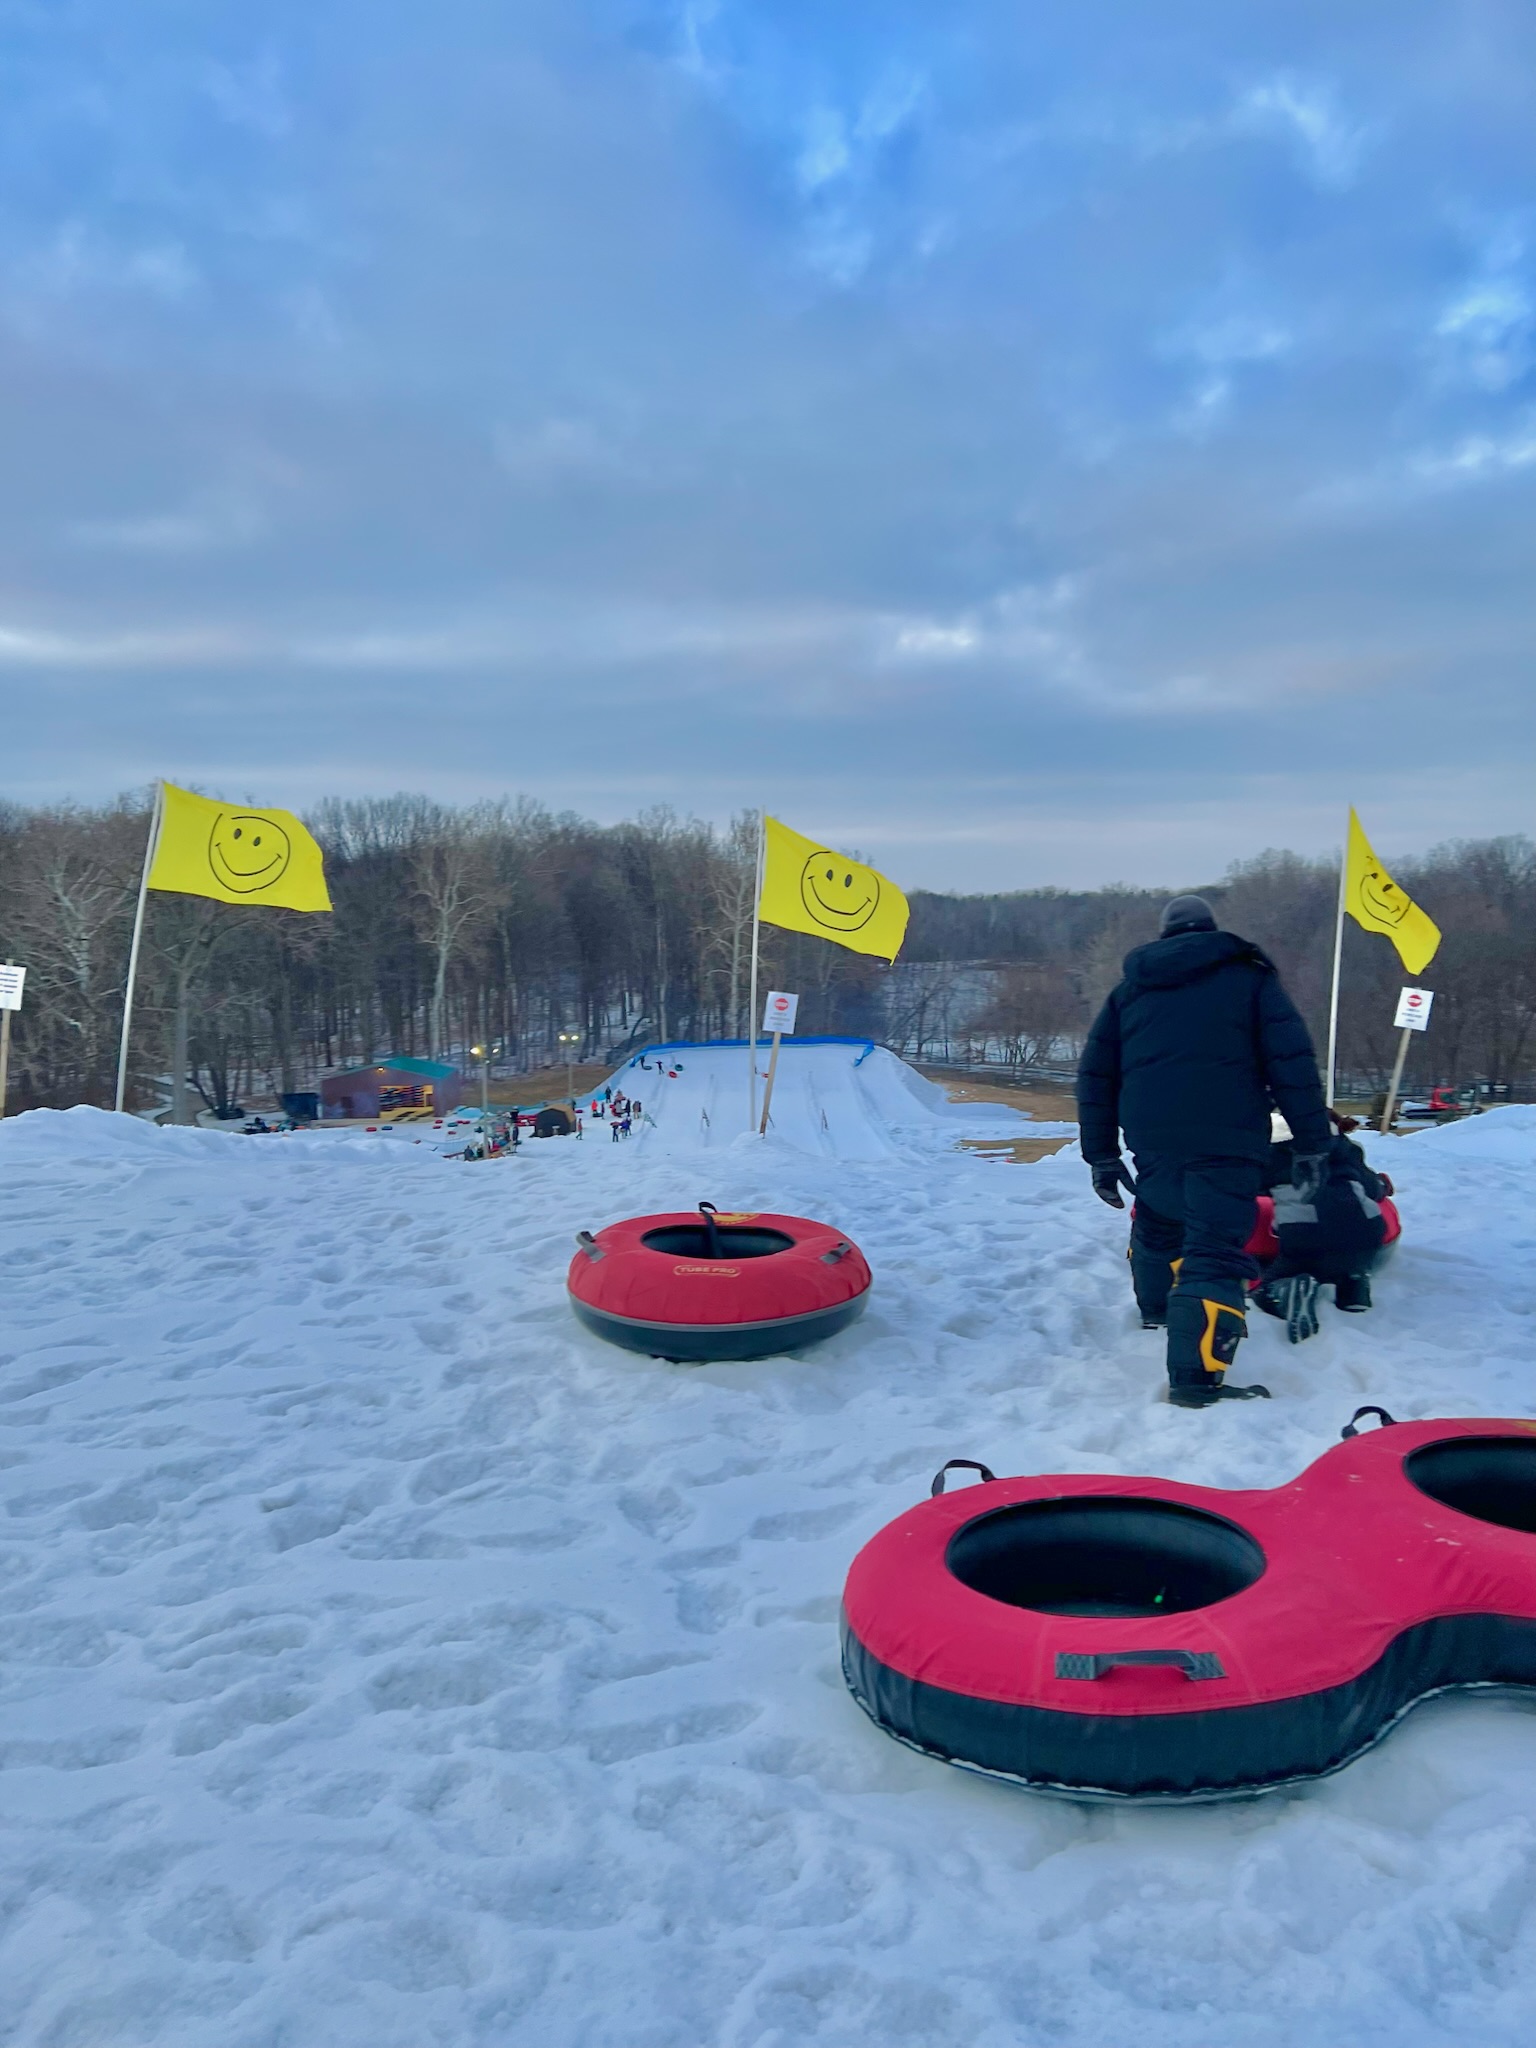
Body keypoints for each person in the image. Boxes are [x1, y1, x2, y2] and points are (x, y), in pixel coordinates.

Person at [1077, 894, 1332, 1408]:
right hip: (1227, 1136)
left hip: (1152, 1136)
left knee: (1158, 1219)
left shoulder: (1130, 991)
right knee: (1213, 1249)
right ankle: (1195, 1379)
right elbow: (1292, 1065)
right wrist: (1311, 1142)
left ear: (1165, 934)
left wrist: (1101, 1155)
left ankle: (1158, 1312)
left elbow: (1096, 1076)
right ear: (1211, 931)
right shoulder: (1251, 979)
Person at [1255, 1112, 1394, 1340]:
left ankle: (1284, 1292)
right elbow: (1371, 1186)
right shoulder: (1345, 1149)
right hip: (1369, 1234)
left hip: (1306, 1236)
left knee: (1266, 1284)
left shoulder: (1270, 1152)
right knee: (1349, 1254)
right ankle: (1354, 1287)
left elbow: (1250, 1188)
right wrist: (1381, 1184)